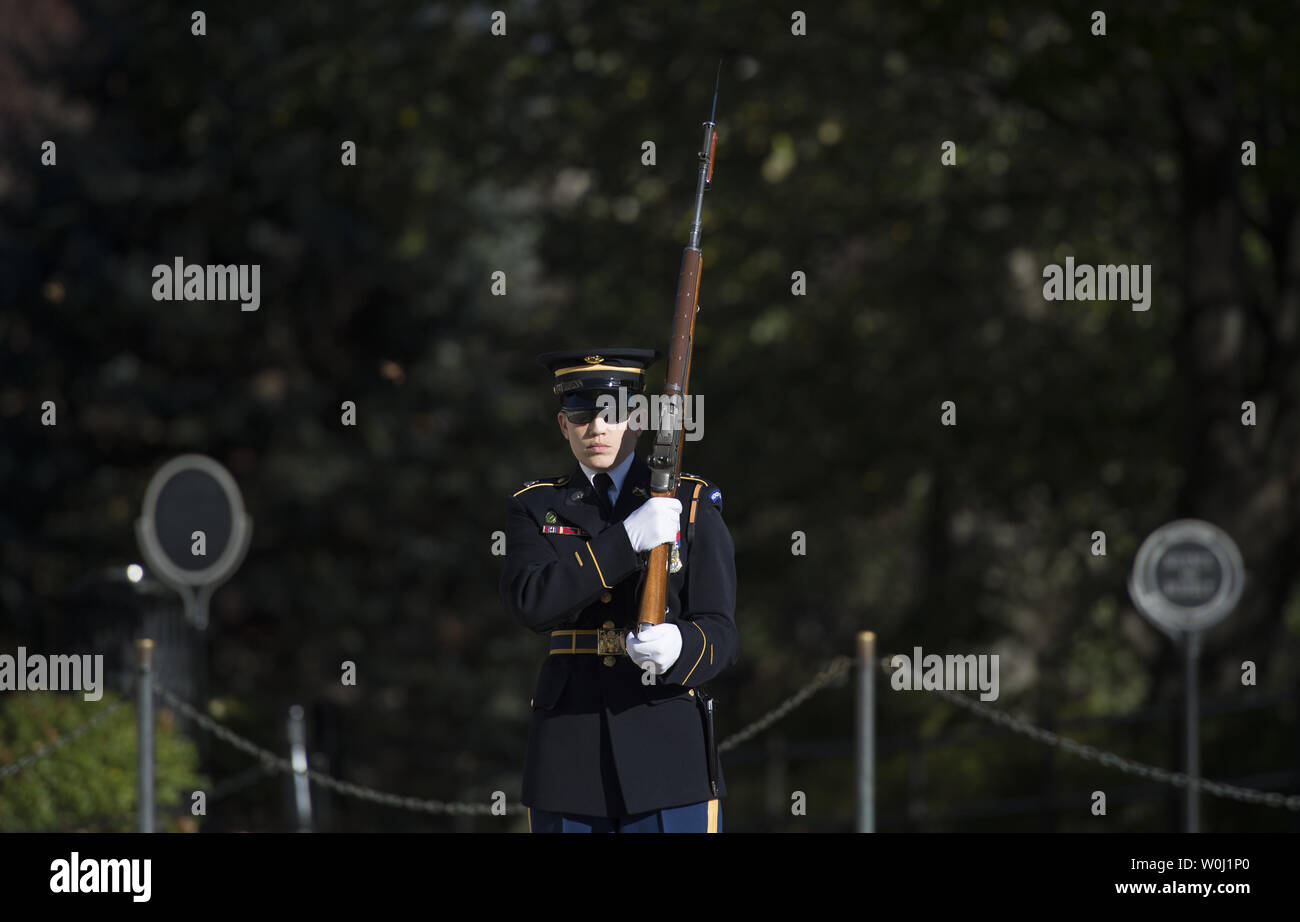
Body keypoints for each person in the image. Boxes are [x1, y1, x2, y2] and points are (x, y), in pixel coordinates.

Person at [500, 347, 738, 833]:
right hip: (570, 755)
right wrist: (627, 540)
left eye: (612, 413)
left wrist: (681, 645)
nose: (597, 428)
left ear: (639, 418)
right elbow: (533, 603)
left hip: (667, 752)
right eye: (580, 414)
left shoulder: (689, 501)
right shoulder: (536, 505)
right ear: (563, 424)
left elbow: (721, 631)